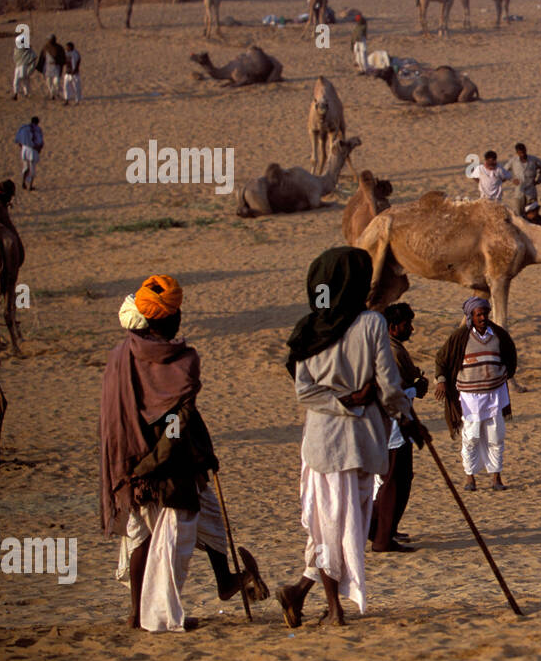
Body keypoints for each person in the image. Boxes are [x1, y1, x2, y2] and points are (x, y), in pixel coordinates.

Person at [100, 275, 268, 632]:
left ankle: (210, 586)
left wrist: (137, 466)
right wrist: (153, 463)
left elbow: (120, 418)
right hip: (167, 463)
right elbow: (178, 423)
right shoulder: (182, 361)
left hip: (131, 459)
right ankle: (158, 615)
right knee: (173, 536)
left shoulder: (121, 355)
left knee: (144, 534)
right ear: (167, 319)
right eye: (176, 313)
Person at [277, 248, 415, 627]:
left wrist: (339, 400)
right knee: (339, 527)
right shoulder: (371, 324)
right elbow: (389, 386)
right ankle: (334, 609)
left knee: (331, 525)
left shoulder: (309, 329)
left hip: (321, 443)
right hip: (359, 440)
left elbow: (305, 392)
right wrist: (403, 415)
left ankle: (302, 594)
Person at [433, 297, 518, 492]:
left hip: (495, 393)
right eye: (478, 314)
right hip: (470, 396)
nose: (482, 318)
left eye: (485, 314)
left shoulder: (497, 334)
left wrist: (506, 373)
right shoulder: (460, 337)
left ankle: (496, 477)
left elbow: (511, 354)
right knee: (471, 436)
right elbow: (441, 359)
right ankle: (470, 478)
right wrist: (442, 381)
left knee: (496, 436)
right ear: (471, 316)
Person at [369, 303, 430, 553]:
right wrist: (416, 388)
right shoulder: (389, 352)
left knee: (402, 479)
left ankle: (385, 529)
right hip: (393, 425)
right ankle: (381, 536)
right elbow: (389, 391)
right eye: (407, 324)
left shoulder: (393, 348)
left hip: (397, 422)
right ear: (393, 327)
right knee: (394, 480)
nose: (411, 329)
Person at [504, 143, 541, 217]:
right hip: (519, 192)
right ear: (517, 153)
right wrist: (512, 179)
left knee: (533, 214)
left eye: (523, 152)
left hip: (531, 191)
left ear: (526, 150)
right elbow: (504, 171)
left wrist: (539, 180)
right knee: (519, 214)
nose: (522, 154)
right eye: (520, 153)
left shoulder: (533, 160)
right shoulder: (513, 161)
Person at [14, 116, 43, 191]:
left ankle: (23, 182)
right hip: (32, 150)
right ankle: (30, 186)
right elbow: (39, 141)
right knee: (32, 169)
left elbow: (18, 139)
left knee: (25, 167)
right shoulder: (37, 129)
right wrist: (39, 149)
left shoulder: (23, 127)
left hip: (24, 149)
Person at [37, 34, 66, 100]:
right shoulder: (45, 48)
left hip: (56, 67)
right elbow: (42, 58)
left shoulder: (59, 48)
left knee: (56, 82)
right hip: (47, 67)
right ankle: (52, 94)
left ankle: (56, 93)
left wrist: (58, 62)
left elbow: (63, 58)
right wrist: (40, 67)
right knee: (49, 82)